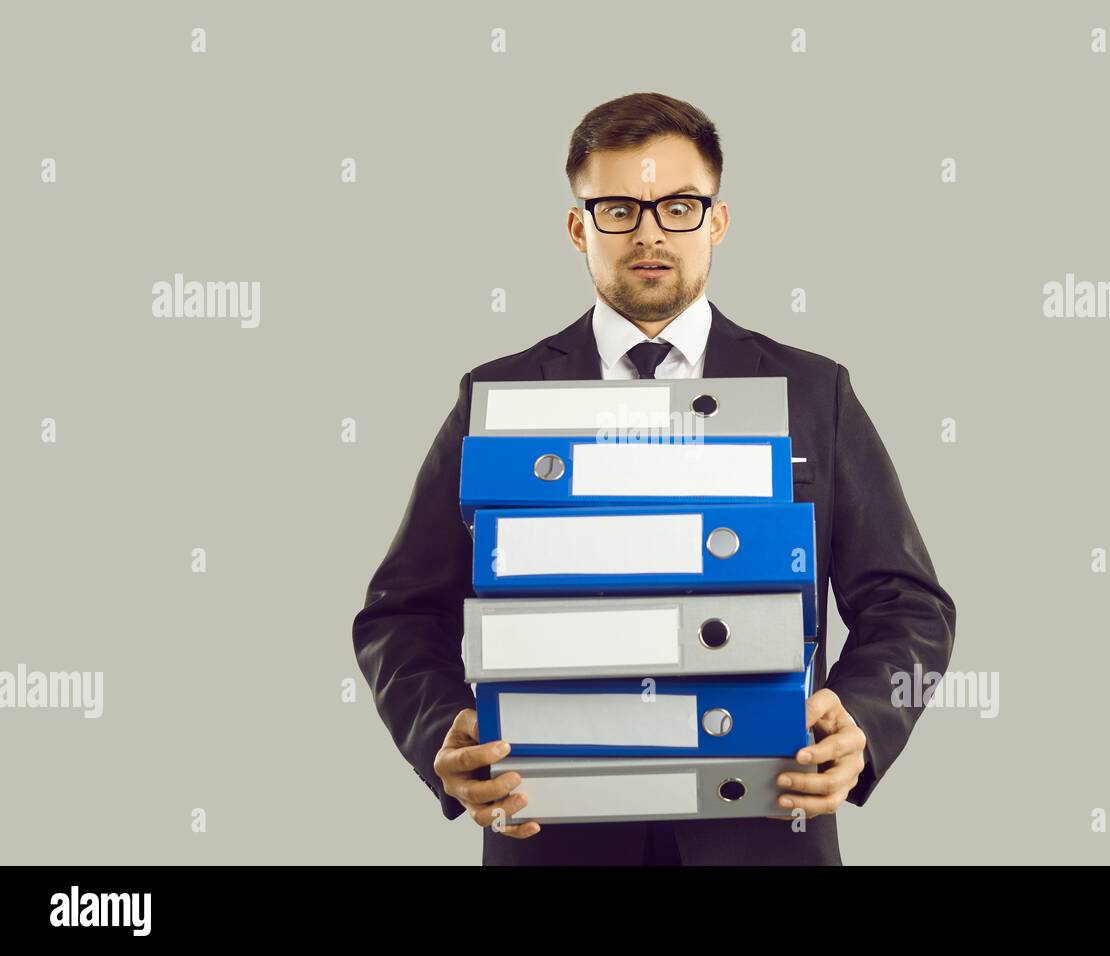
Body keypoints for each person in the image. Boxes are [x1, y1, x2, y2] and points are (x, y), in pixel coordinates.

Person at [352, 92, 957, 865]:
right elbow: (399, 613)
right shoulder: (498, 398)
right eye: (616, 209)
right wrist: (443, 729)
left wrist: (864, 718)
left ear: (717, 222)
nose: (648, 233)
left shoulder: (814, 392)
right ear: (578, 227)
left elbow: (910, 604)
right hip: (552, 832)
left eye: (677, 206)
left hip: (766, 831)